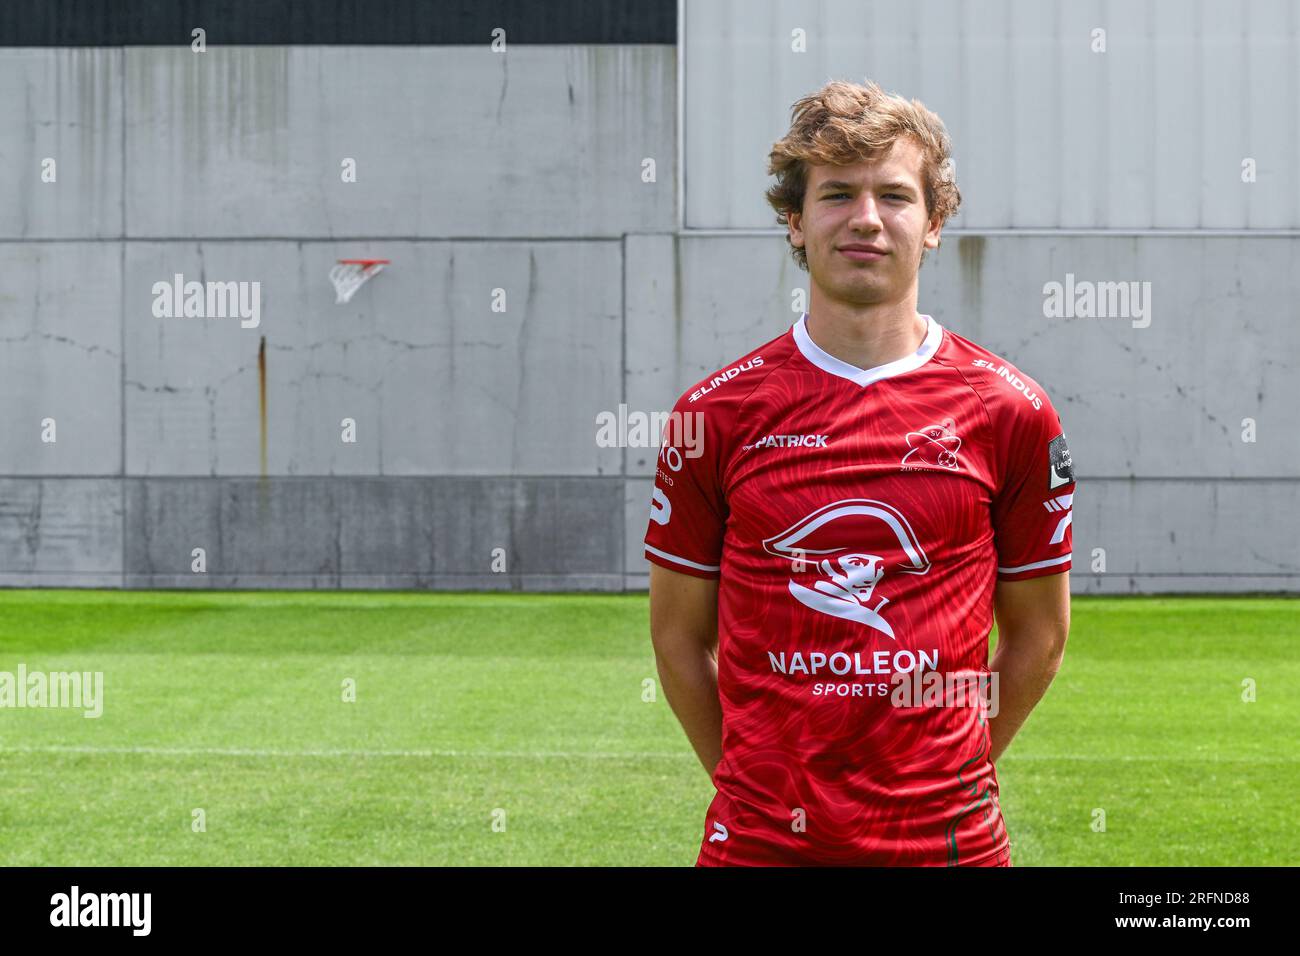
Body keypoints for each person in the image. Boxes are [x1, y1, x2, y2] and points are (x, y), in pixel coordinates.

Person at [644, 79, 1075, 866]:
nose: (867, 219)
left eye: (895, 196)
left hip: (950, 843)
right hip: (759, 847)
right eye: (837, 194)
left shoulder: (1011, 412)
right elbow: (677, 639)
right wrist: (750, 784)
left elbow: (1039, 635)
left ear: (935, 222)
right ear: (795, 221)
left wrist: (954, 755)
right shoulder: (716, 416)